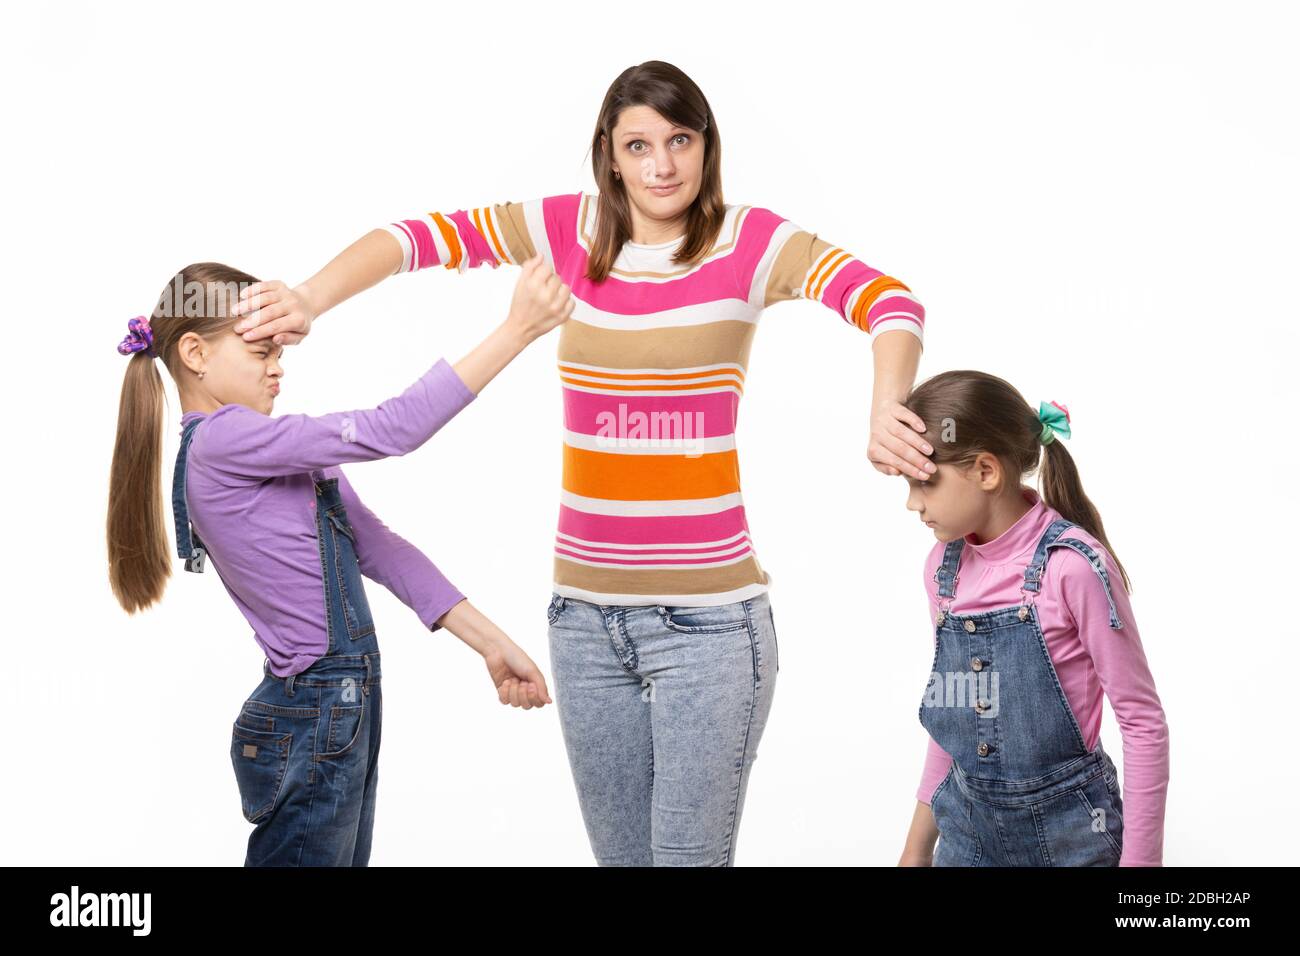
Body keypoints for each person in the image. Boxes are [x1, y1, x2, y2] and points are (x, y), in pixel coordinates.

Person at [226, 60, 934, 866]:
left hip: (710, 630)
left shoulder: (753, 243)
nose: (661, 166)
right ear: (610, 152)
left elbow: (890, 302)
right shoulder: (571, 231)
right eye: (638, 146)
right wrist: (312, 297)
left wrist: (885, 404)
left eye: (680, 140)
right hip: (583, 624)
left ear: (707, 146)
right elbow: (413, 241)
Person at [106, 256, 572, 865]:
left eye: (282, 356)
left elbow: (378, 547)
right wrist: (517, 330)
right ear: (195, 354)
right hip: (313, 711)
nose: (278, 371)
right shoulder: (225, 442)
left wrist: (489, 641)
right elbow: (392, 430)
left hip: (339, 707)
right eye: (262, 354)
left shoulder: (265, 450)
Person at [896, 370, 1169, 866]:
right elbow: (953, 723)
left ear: (985, 471)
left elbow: (1142, 723)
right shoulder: (942, 571)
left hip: (1072, 840)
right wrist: (916, 850)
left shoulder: (1074, 568)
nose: (913, 503)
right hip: (966, 838)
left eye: (924, 483)